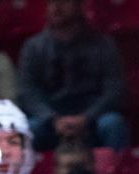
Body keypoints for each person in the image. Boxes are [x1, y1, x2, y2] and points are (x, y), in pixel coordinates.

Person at [16, 0, 129, 151]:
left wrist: (87, 117)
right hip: (50, 118)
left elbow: (114, 89)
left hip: (93, 116)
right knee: (30, 129)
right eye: (51, 3)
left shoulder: (103, 45)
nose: (56, 7)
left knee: (113, 124)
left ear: (79, 6)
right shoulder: (33, 47)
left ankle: (117, 167)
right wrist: (52, 119)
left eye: (64, 2)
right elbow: (28, 91)